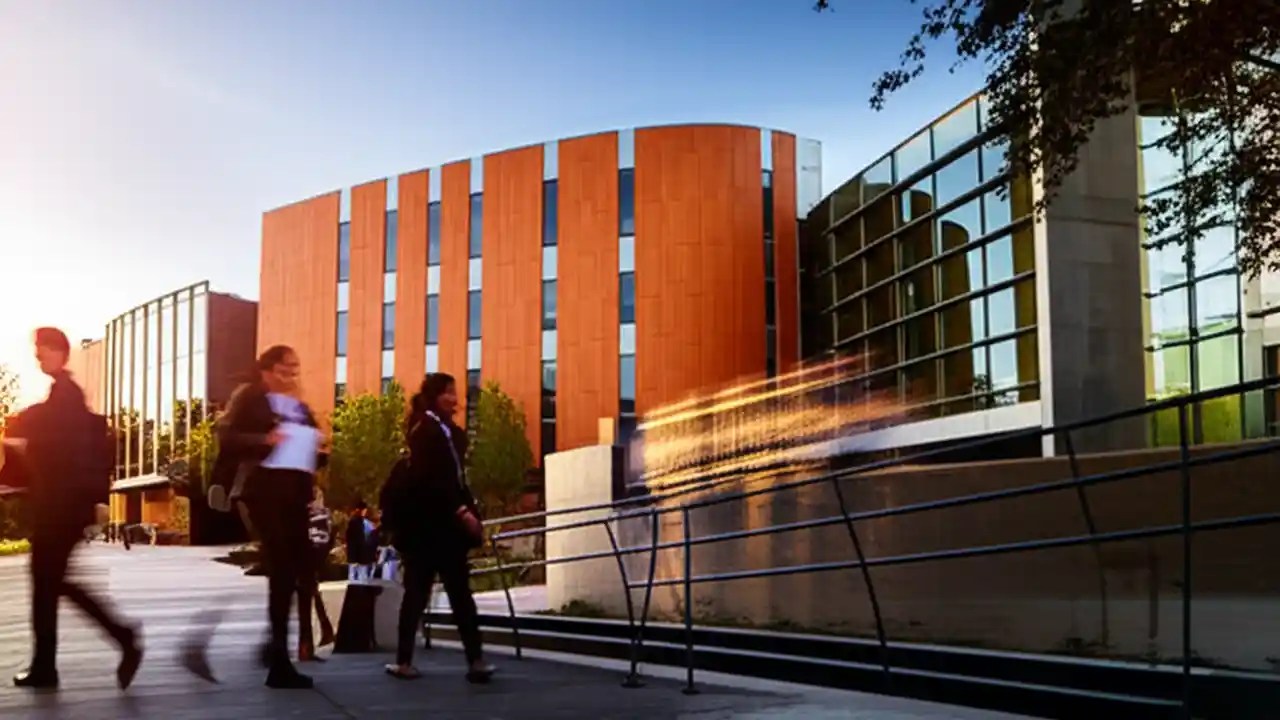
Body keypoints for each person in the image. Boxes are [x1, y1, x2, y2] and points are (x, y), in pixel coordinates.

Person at [8, 327, 143, 690]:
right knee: (52, 582)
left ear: (61, 353)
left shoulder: (66, 396)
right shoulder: (61, 395)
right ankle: (55, 662)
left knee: (48, 582)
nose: (39, 355)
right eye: (37, 349)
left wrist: (21, 426)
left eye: (45, 349)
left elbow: (56, 438)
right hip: (60, 504)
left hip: (62, 506)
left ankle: (114, 640)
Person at [209, 345, 327, 689]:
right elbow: (227, 437)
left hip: (294, 494)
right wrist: (266, 439)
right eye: (285, 367)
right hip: (262, 491)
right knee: (282, 565)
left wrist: (317, 451)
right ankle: (278, 661)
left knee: (294, 568)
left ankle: (273, 645)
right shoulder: (250, 396)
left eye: (295, 367)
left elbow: (311, 449)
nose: (291, 373)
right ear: (267, 369)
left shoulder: (300, 407)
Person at [383, 372, 494, 682]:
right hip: (426, 529)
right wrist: (462, 511)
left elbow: (455, 480)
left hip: (443, 529)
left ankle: (475, 660)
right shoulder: (425, 429)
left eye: (455, 392)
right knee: (420, 595)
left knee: (457, 594)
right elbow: (433, 481)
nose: (455, 399)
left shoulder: (446, 431)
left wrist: (468, 510)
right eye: (448, 392)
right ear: (434, 395)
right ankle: (407, 661)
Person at [299, 486, 335, 662]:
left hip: (306, 556)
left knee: (306, 596)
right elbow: (326, 538)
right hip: (312, 556)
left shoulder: (312, 514)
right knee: (309, 593)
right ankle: (311, 642)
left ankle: (307, 645)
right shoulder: (321, 515)